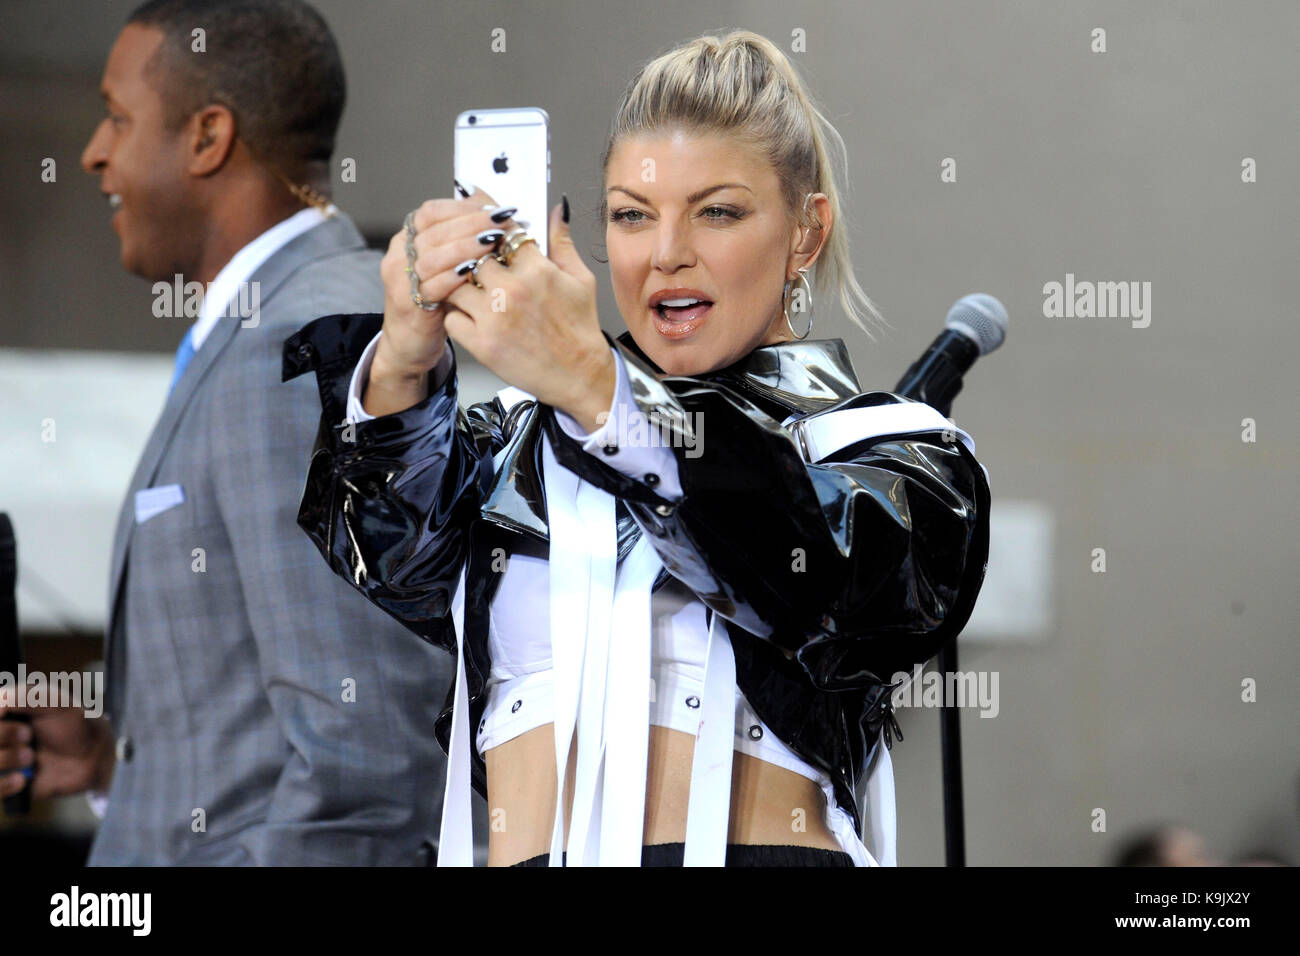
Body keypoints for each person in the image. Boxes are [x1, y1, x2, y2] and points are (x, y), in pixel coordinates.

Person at [286, 30, 990, 866]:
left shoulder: (894, 452)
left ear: (806, 232)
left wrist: (596, 386)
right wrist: (403, 357)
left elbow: (809, 567)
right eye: (630, 215)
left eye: (718, 211)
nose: (665, 255)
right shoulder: (518, 439)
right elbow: (393, 558)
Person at [0, 0, 460, 865]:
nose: (95, 151)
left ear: (208, 138)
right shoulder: (268, 327)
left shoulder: (305, 340)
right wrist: (117, 764)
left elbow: (366, 767)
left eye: (118, 115)